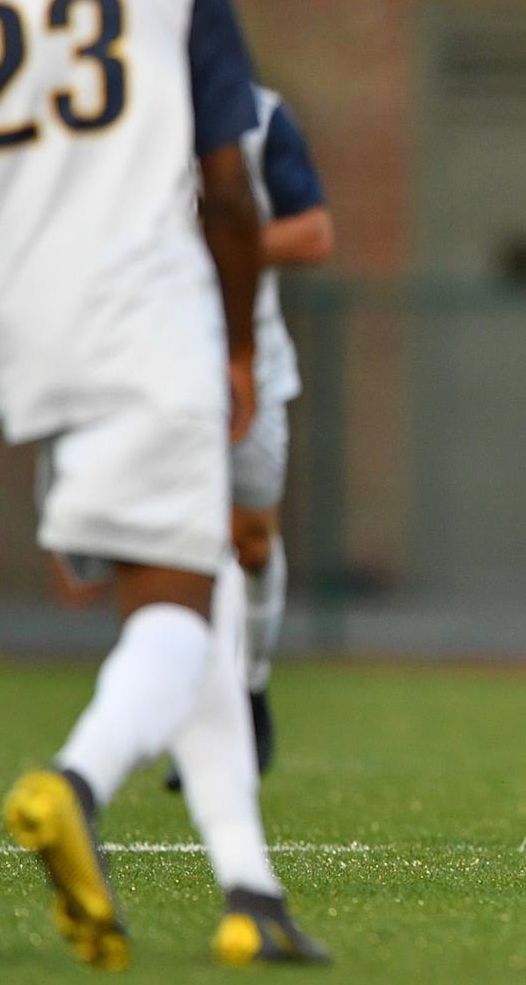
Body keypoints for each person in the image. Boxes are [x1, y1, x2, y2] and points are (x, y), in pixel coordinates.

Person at [0, 0, 328, 966]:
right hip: (146, 313)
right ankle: (74, 782)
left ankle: (249, 888)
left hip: (23, 327)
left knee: (204, 580)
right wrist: (230, 341)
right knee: (175, 607)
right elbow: (228, 187)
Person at [162, 85, 334, 791]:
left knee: (250, 537)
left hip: (246, 358)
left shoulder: (258, 117)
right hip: (147, 357)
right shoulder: (121, 109)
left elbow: (314, 233)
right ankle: (192, 712)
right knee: (170, 543)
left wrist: (224, 241)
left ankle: (252, 684)